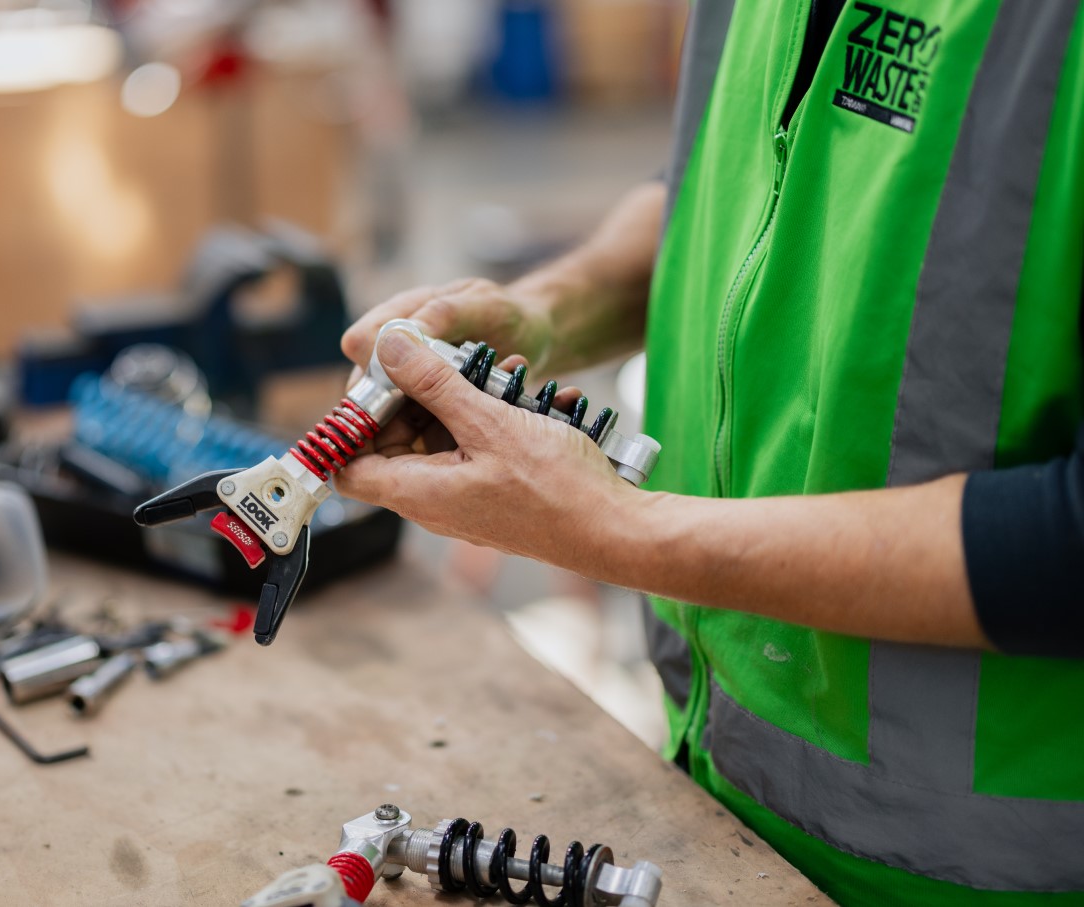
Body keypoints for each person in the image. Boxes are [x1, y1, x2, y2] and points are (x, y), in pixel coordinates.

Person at [335, 1, 1084, 905]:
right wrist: (546, 313)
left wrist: (615, 530)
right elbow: (742, 165)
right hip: (712, 799)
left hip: (979, 874)